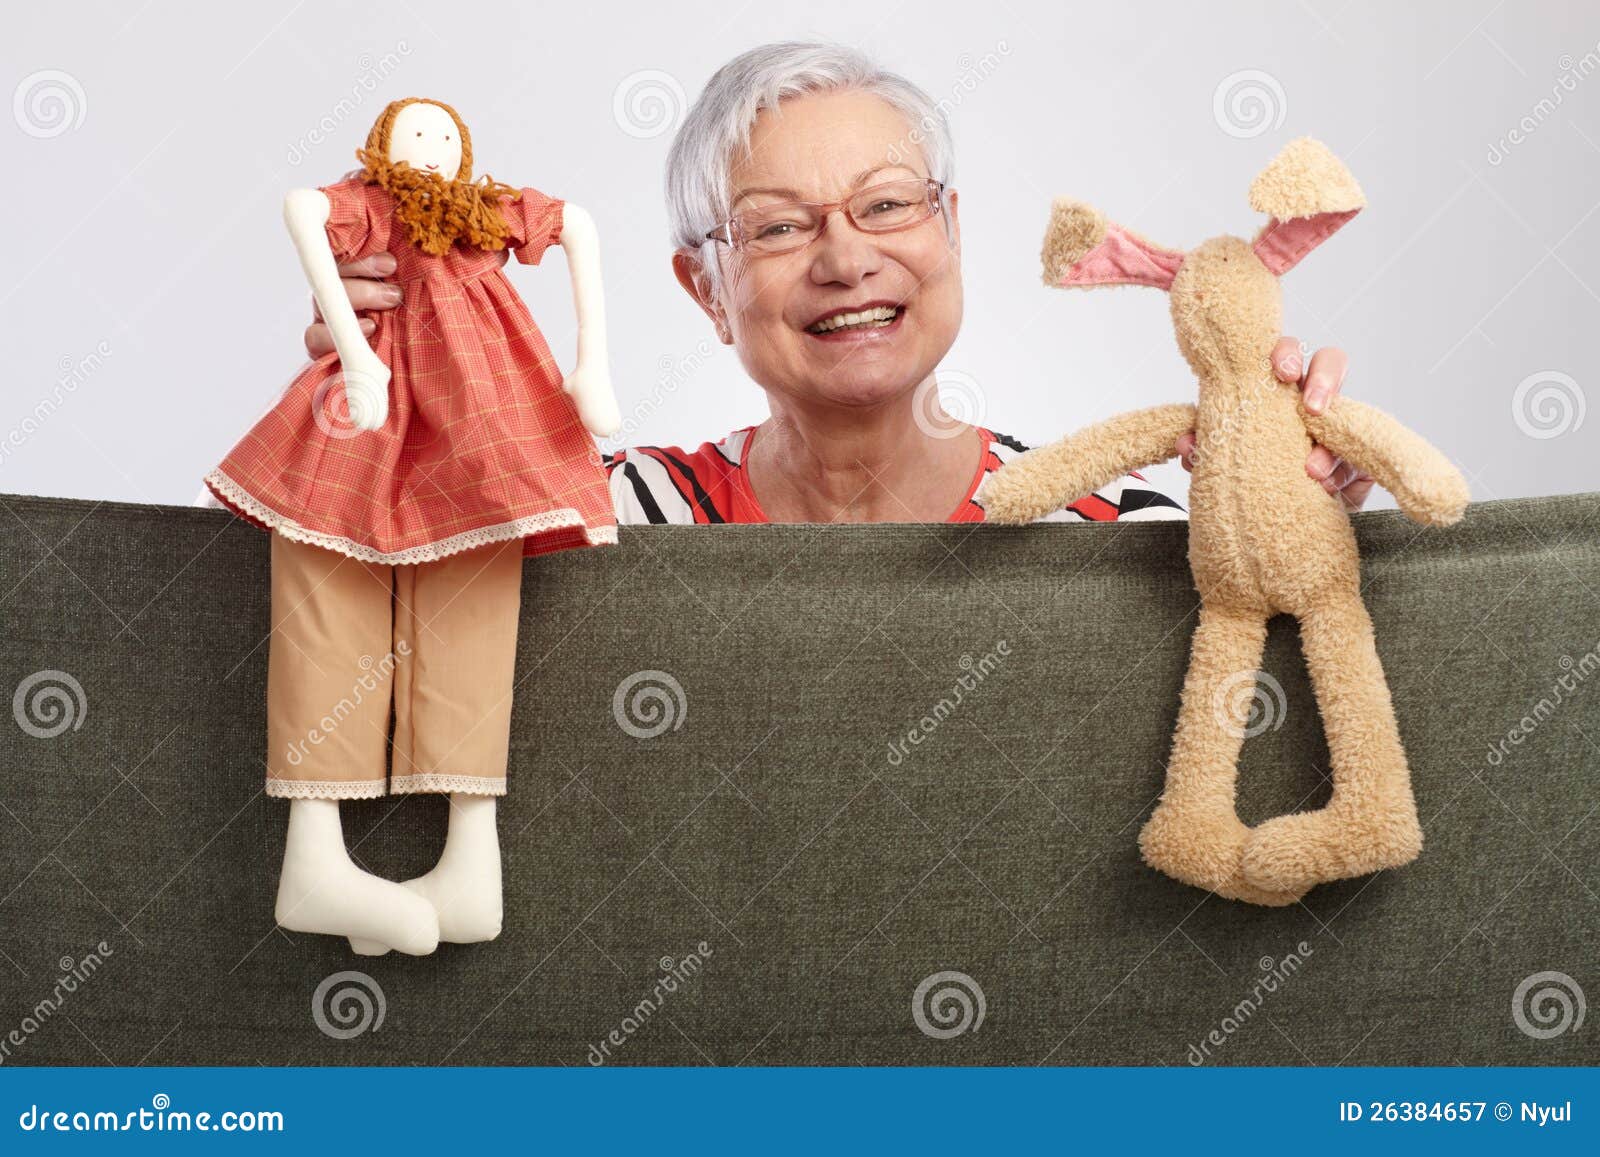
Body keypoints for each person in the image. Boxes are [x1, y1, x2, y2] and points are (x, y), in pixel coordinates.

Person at [297, 42, 1374, 525]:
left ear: (950, 229)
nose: (845, 255)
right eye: (774, 225)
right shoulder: (612, 521)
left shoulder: (1119, 528)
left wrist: (1313, 504)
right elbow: (385, 592)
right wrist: (377, 400)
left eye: (888, 202)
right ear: (704, 289)